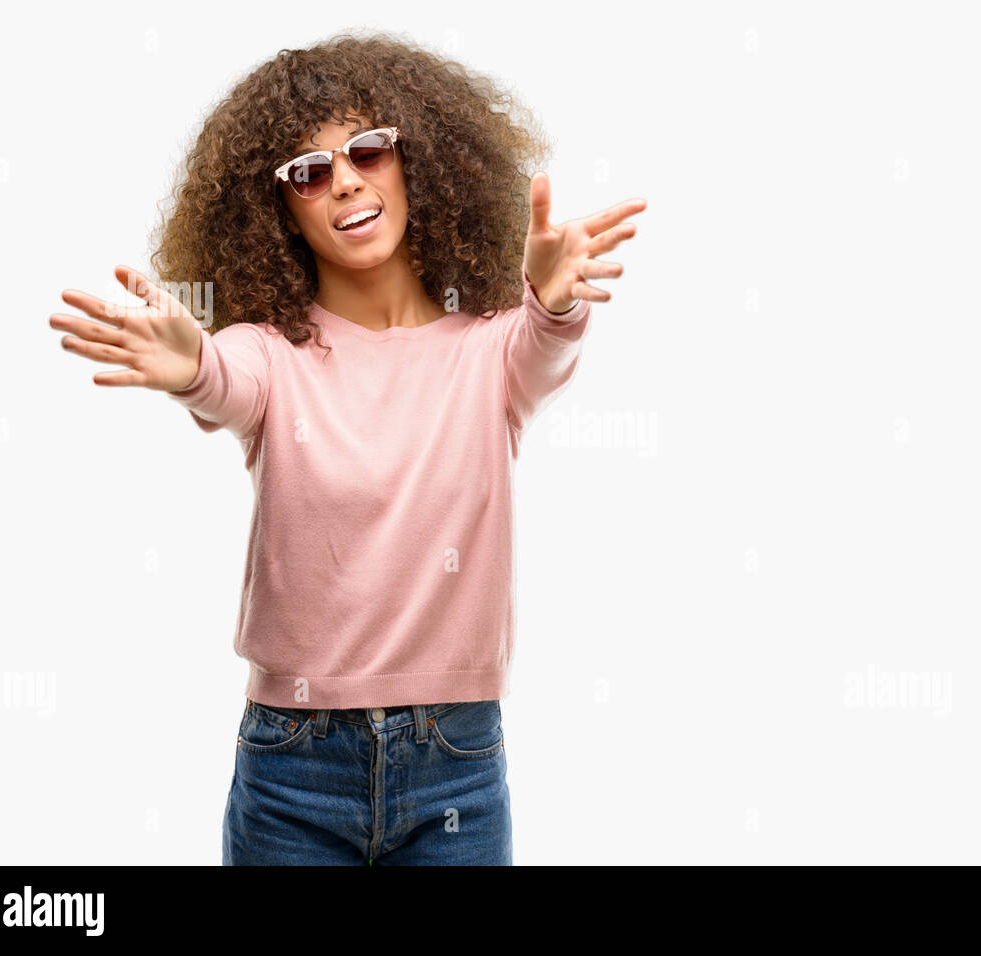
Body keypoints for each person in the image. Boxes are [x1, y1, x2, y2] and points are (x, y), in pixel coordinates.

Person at [47, 30, 645, 865]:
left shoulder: (490, 353)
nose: (347, 181)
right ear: (279, 208)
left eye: (368, 149)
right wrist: (189, 364)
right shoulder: (268, 354)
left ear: (418, 161)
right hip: (292, 768)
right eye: (309, 171)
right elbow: (226, 380)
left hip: (458, 768)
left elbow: (546, 345)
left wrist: (549, 295)